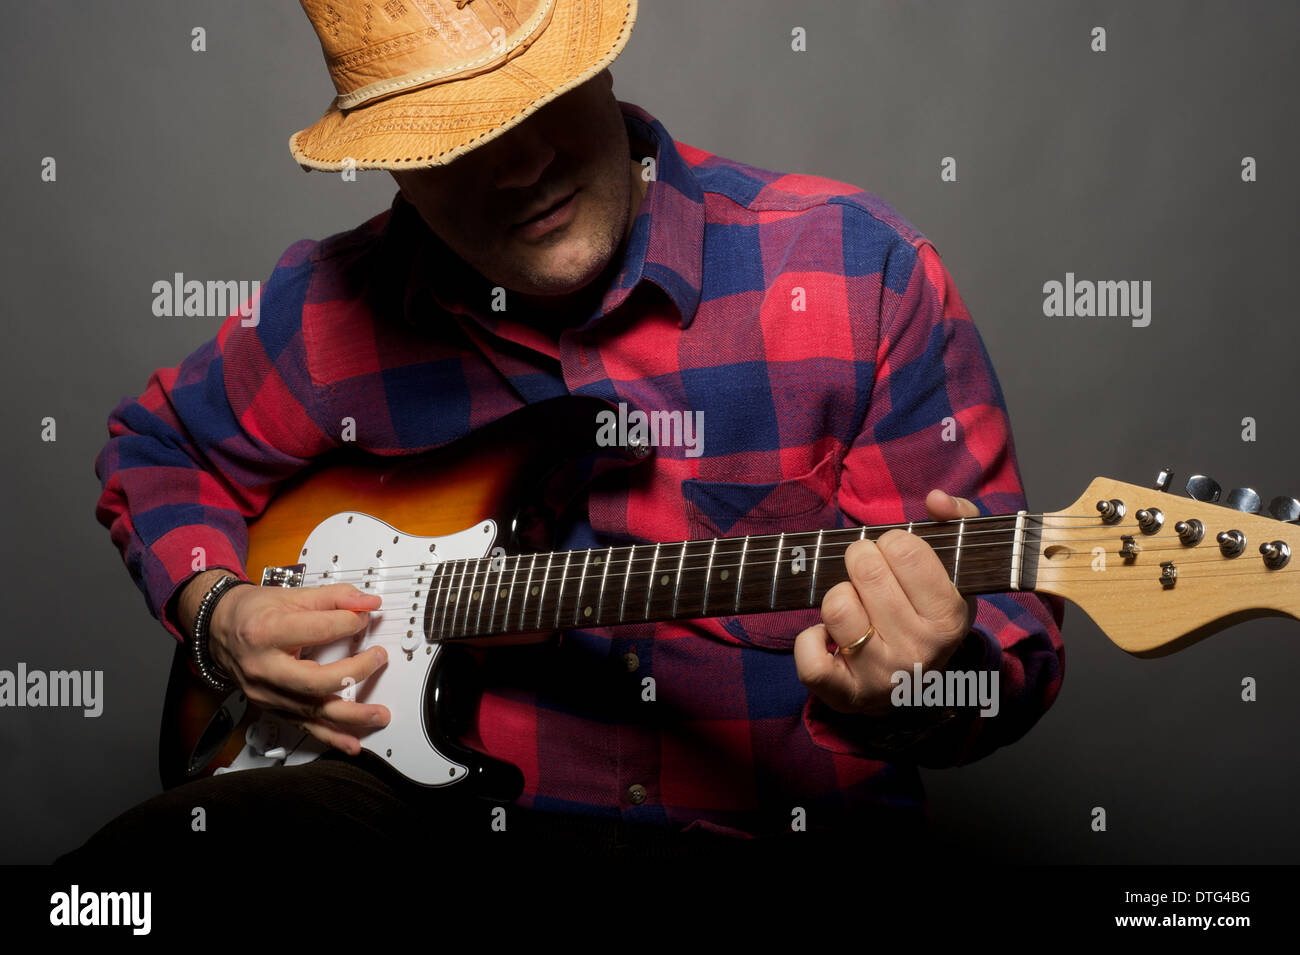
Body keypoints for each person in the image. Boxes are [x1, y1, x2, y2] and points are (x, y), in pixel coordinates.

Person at [65, 0, 1063, 863]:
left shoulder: (857, 272)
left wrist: (926, 685)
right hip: (428, 822)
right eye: (457, 139)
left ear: (599, 63)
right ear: (391, 165)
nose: (525, 164)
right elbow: (156, 449)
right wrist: (216, 614)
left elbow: (1010, 657)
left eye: (543, 99)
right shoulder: (331, 305)